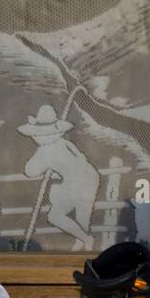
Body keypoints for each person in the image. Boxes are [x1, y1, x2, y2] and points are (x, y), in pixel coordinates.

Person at [18, 104, 99, 250]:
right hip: (91, 177)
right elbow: (80, 158)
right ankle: (82, 243)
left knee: (54, 216)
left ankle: (85, 239)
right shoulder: (65, 143)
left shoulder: (44, 151)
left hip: (77, 183)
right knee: (82, 219)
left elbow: (30, 170)